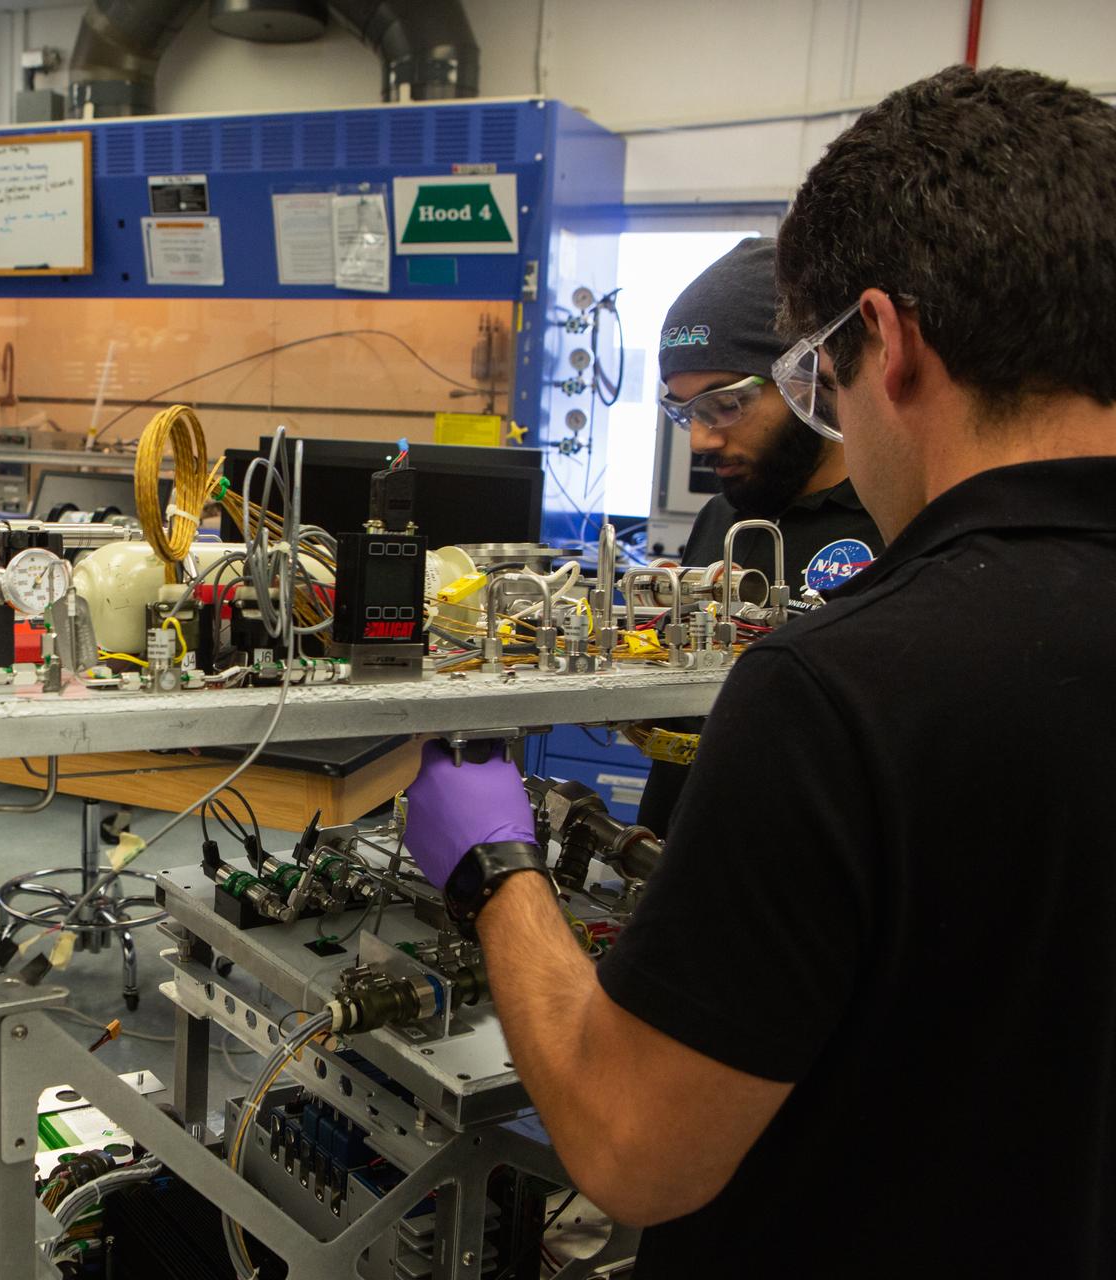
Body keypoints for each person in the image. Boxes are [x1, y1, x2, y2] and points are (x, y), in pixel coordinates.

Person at [404, 65, 1116, 1277]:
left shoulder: (848, 685)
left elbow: (633, 1151)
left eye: (812, 381)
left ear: (883, 342)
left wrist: (494, 867)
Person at [636, 238, 886, 835]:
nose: (700, 441)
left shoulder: (887, 524)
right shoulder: (723, 518)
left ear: (806, 377)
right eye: (686, 412)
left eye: (724, 405)